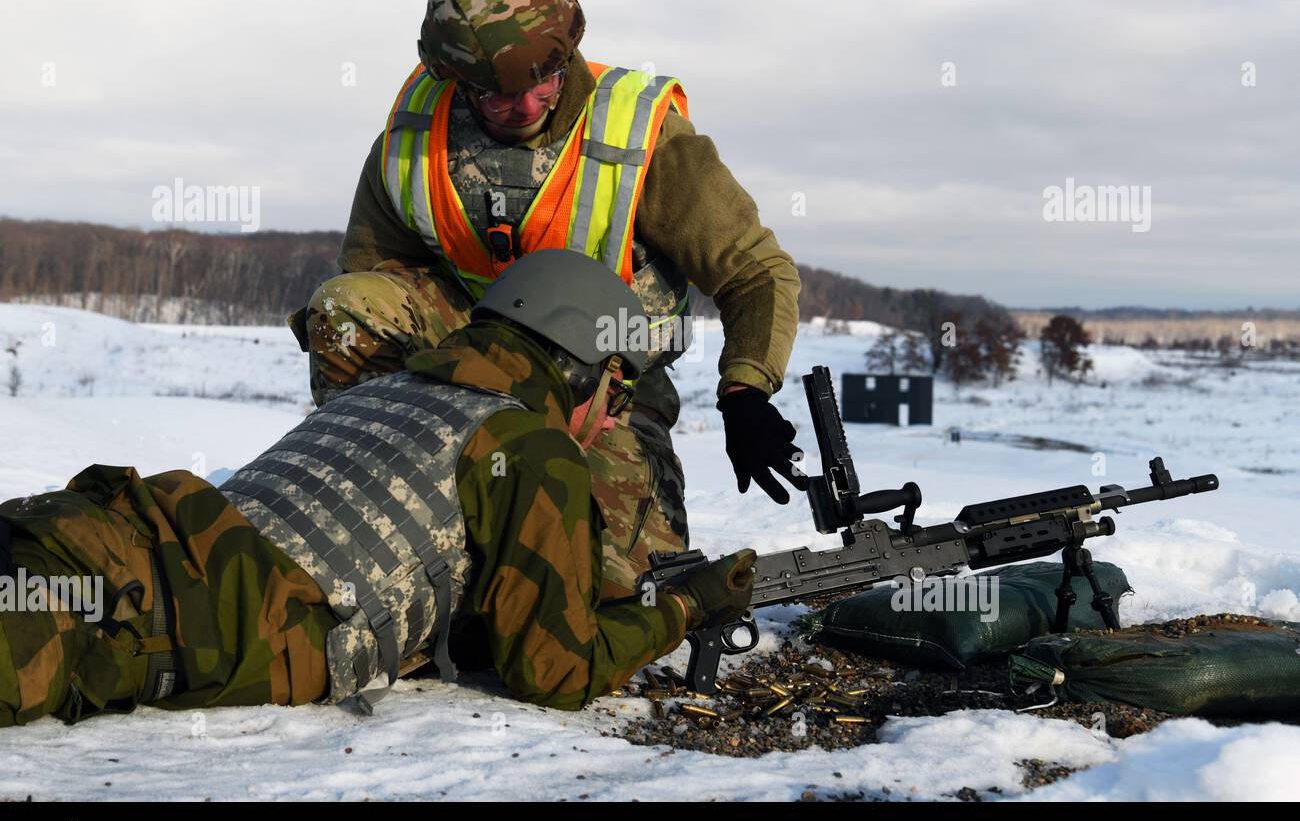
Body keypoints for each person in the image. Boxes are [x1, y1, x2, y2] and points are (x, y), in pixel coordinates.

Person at [0, 251, 755, 726]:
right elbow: (555, 671)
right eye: (617, 392)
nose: (611, 419)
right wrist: (687, 607)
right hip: (147, 608)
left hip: (101, 530)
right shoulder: (531, 446)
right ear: (583, 366)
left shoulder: (390, 388)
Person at [293, 0, 806, 605]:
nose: (527, 104)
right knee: (344, 309)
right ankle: (393, 492)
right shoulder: (416, 134)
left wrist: (746, 393)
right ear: (456, 77)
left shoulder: (640, 134)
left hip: (602, 394)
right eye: (496, 95)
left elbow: (757, 273)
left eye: (545, 78)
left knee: (614, 595)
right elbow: (374, 275)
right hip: (467, 374)